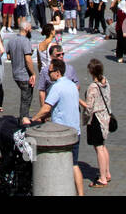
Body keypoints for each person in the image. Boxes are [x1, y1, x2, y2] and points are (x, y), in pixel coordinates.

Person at [22, 59, 84, 196]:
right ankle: (80, 194)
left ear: (57, 72)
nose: (48, 74)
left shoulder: (57, 87)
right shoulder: (72, 85)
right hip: (75, 131)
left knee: (59, 165)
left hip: (61, 133)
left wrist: (33, 119)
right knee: (74, 165)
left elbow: (46, 108)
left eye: (50, 71)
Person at [78, 58, 112, 188]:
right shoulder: (106, 81)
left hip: (96, 119)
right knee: (102, 146)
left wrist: (78, 98)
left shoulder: (93, 87)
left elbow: (89, 107)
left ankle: (102, 178)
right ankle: (107, 173)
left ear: (91, 71)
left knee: (98, 148)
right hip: (105, 117)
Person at [3, 19, 36, 120]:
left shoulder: (11, 40)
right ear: (26, 29)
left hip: (15, 73)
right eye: (30, 28)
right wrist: (33, 73)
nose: (31, 30)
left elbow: (8, 57)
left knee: (25, 96)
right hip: (24, 75)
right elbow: (28, 60)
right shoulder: (25, 41)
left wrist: (17, 55)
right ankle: (24, 119)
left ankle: (23, 118)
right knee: (26, 99)